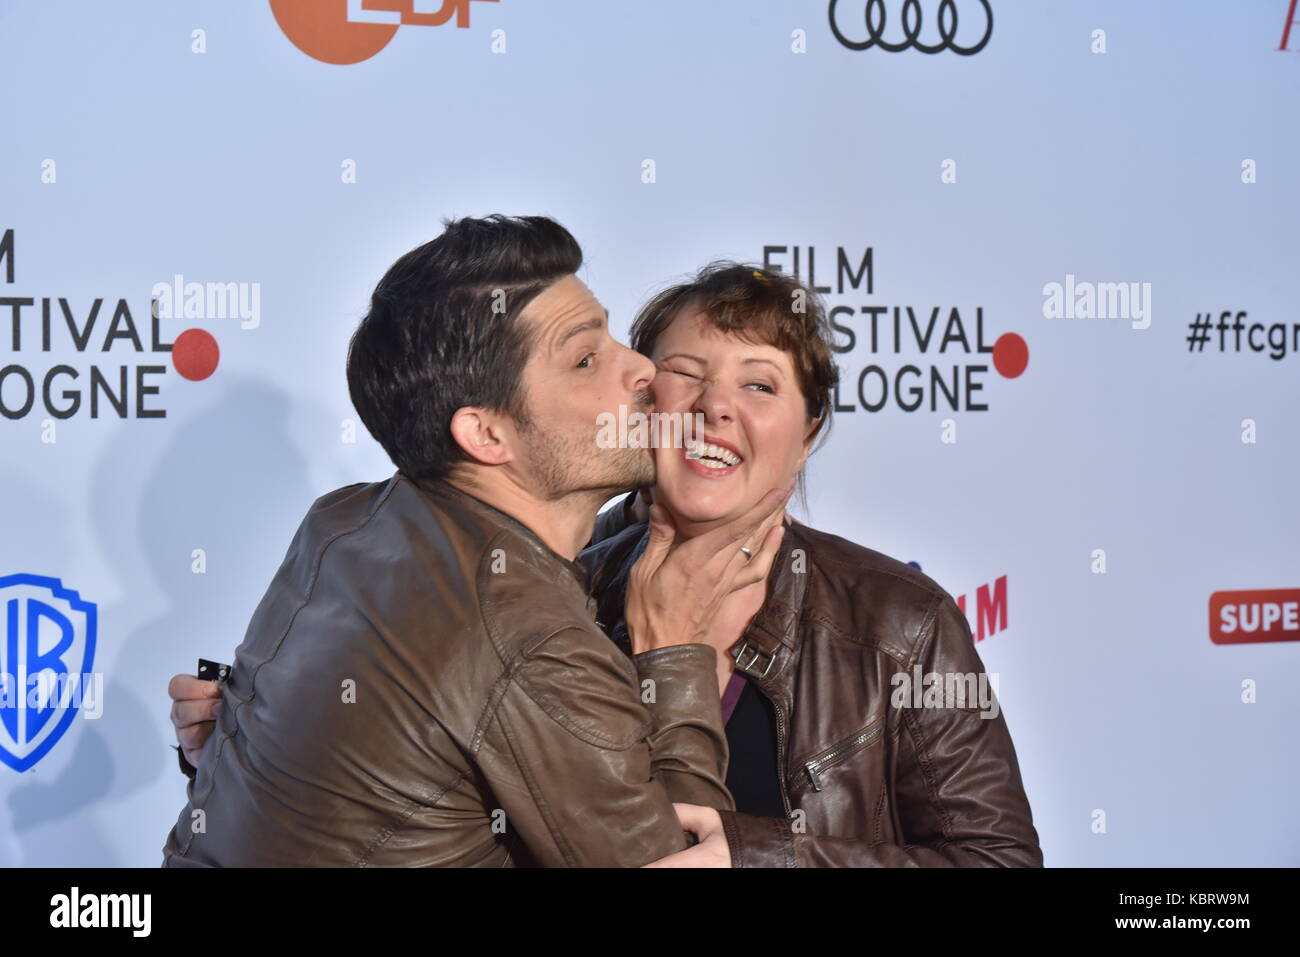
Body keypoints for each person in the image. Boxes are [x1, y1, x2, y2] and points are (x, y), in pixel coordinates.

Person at [169, 256, 1044, 868]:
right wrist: (266, 738)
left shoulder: (898, 619)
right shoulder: (549, 581)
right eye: (684, 372)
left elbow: (1000, 862)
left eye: (761, 385)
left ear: (809, 432)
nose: (713, 408)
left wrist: (753, 855)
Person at [161, 215, 789, 868]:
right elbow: (681, 857)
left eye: (611, 335)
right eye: (584, 358)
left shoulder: (345, 521)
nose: (641, 370)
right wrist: (679, 653)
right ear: (486, 434)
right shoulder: (532, 641)